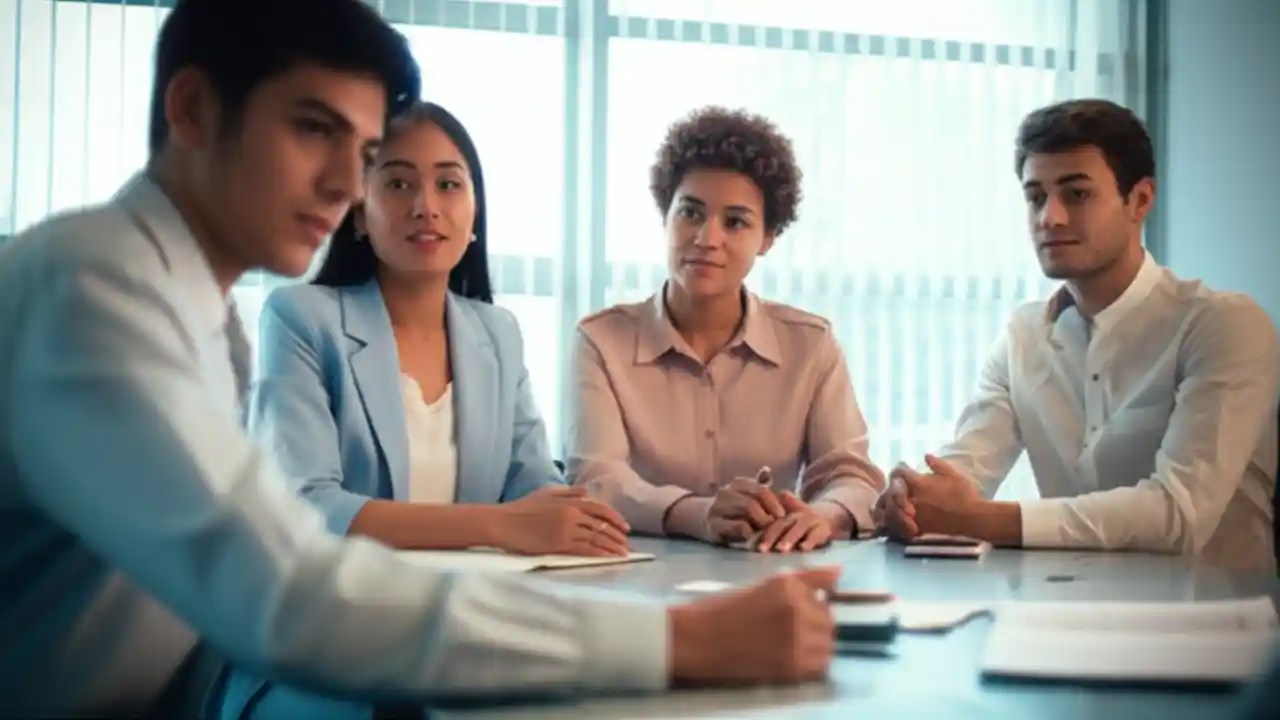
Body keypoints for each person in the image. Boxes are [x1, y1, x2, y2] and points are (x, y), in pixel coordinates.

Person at [0, 2, 839, 717]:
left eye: (362, 152)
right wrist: (678, 639)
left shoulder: (196, 309)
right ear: (193, 111)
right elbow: (283, 583)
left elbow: (524, 488)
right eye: (314, 130)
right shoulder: (95, 290)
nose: (342, 182)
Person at [876, 99, 1279, 573]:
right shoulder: (1022, 336)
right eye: (1035, 197)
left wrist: (983, 519)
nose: (1050, 218)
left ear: (1141, 200)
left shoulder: (1222, 325)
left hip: (1218, 629)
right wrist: (911, 501)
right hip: (1070, 616)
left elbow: (1178, 515)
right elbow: (965, 471)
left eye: (1077, 194)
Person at [249, 101, 629, 558]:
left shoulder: (497, 332)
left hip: (472, 606)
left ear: (474, 214)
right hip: (339, 609)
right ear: (358, 214)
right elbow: (307, 505)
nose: (426, 207)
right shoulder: (300, 318)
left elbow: (533, 486)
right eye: (397, 184)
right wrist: (499, 526)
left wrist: (576, 519)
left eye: (448, 184)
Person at [568, 106, 885, 553]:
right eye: (691, 213)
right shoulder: (601, 341)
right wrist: (700, 513)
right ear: (666, 215)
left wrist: (821, 516)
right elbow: (597, 479)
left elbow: (851, 475)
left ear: (768, 237)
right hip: (637, 580)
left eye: (735, 222)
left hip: (772, 576)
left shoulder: (810, 344)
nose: (706, 238)